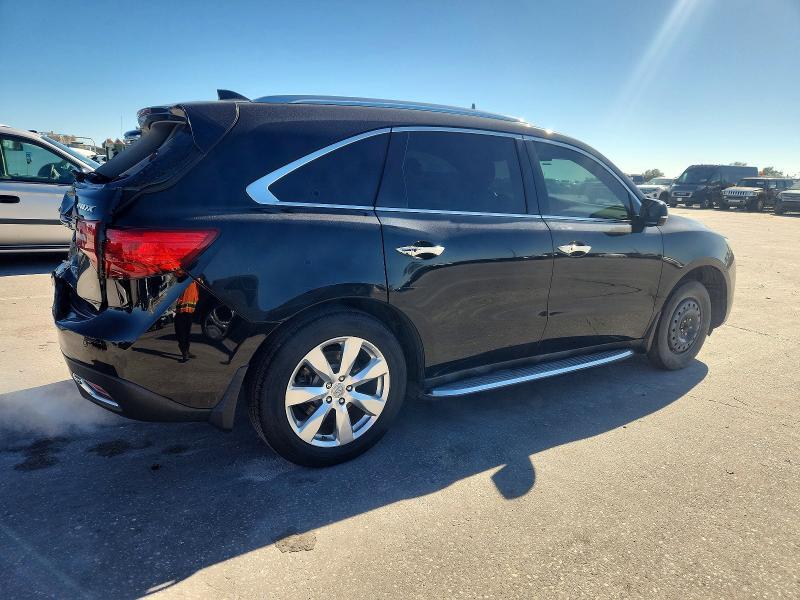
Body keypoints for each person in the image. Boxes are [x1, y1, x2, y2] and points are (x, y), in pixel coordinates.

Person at [174, 281, 199, 362]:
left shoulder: (196, 279)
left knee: (186, 332)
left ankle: (186, 351)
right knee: (181, 332)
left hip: (188, 311)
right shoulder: (187, 277)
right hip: (181, 310)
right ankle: (185, 352)